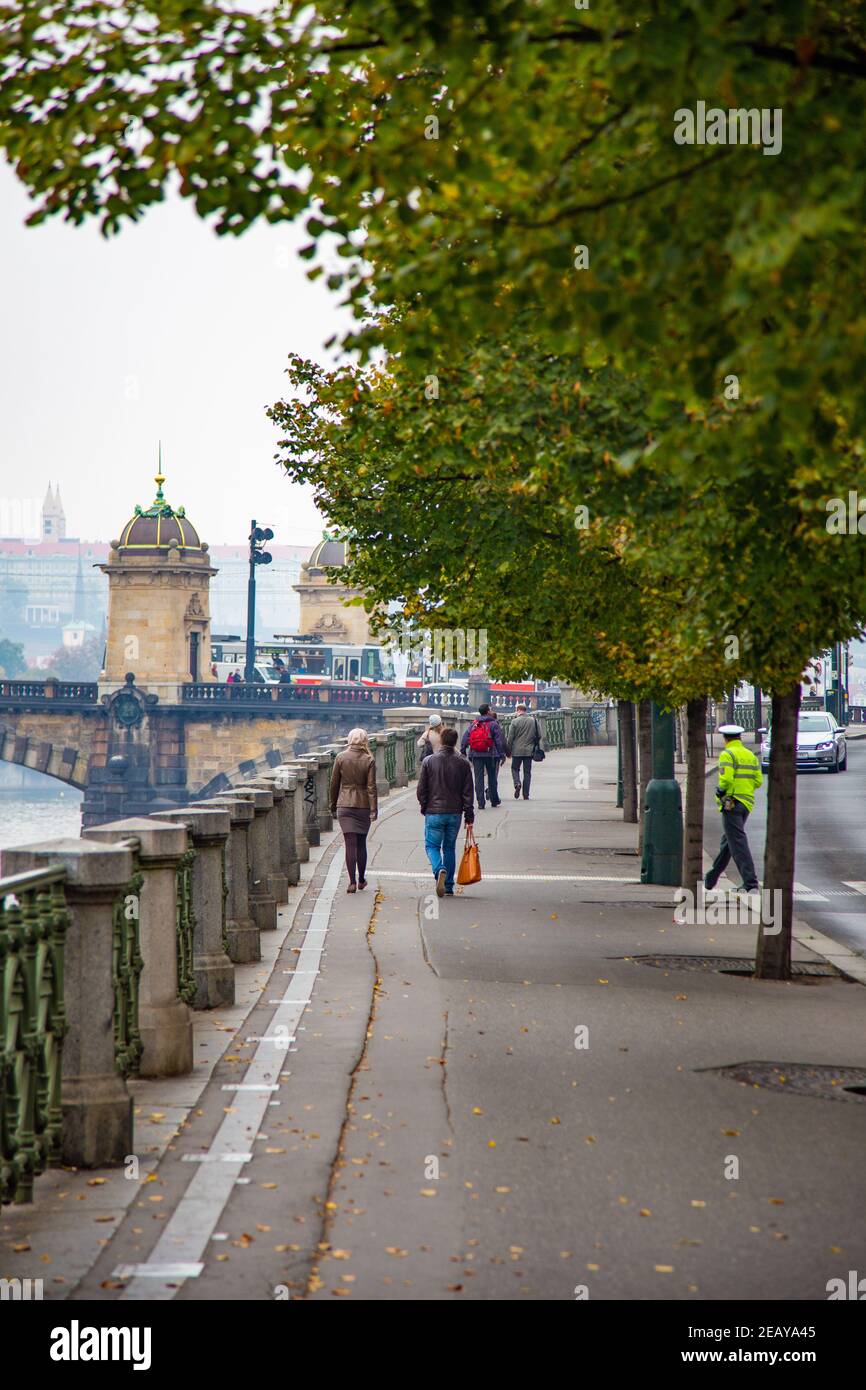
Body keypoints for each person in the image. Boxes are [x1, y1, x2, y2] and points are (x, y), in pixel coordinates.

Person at [704, 723, 763, 895]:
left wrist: (721, 791)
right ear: (740, 737)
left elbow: (726, 780)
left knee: (737, 843)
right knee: (728, 842)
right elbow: (758, 781)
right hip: (746, 803)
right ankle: (711, 878)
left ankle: (750, 882)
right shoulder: (749, 755)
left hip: (731, 802)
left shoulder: (727, 754)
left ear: (725, 739)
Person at [417, 727, 474, 896]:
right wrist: (469, 814)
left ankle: (438, 869)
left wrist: (424, 805)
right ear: (455, 742)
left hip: (434, 811)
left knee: (432, 846)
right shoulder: (463, 763)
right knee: (449, 848)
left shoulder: (429, 761)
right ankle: (448, 885)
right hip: (455, 813)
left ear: (441, 740)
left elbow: (422, 789)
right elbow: (468, 791)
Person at [330, 727, 378, 893]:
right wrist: (373, 810)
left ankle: (351, 882)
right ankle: (362, 879)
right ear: (365, 740)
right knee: (361, 844)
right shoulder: (369, 759)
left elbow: (334, 784)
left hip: (344, 805)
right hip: (363, 805)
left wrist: (332, 804)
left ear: (349, 740)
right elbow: (371, 787)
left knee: (349, 844)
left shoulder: (341, 757)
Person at [460, 702, 506, 809]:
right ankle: (494, 800)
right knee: (492, 778)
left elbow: (465, 738)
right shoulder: (494, 724)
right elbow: (499, 741)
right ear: (488, 712)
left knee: (478, 778)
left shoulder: (474, 723)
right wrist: (502, 755)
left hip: (476, 754)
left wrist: (463, 750)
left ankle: (481, 802)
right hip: (491, 754)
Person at [506, 703, 545, 799]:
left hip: (517, 750)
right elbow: (539, 735)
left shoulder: (514, 722)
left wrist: (508, 751)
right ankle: (526, 794)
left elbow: (510, 738)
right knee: (527, 772)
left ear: (518, 710)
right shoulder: (533, 721)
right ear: (525, 710)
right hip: (529, 751)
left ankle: (517, 783)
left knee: (515, 769)